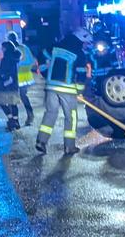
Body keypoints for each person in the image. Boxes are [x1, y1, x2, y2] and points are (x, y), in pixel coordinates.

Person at [35, 28, 91, 156]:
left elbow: (41, 54)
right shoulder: (79, 53)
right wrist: (80, 91)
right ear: (81, 39)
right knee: (71, 117)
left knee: (50, 113)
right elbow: (82, 74)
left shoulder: (56, 47)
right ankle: (69, 147)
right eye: (85, 43)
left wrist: (44, 71)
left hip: (51, 87)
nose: (86, 45)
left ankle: (41, 141)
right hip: (68, 89)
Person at [7, 30, 36, 126]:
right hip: (26, 77)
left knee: (12, 98)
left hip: (15, 77)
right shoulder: (24, 48)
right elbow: (31, 61)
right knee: (24, 97)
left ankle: (14, 120)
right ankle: (30, 115)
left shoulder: (11, 50)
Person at [0, 40, 22, 131]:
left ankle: (11, 119)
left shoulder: (6, 59)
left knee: (1, 101)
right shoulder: (14, 58)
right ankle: (16, 121)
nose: (1, 49)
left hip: (5, 84)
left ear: (6, 48)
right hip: (13, 84)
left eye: (3, 47)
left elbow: (4, 71)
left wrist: (2, 80)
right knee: (13, 103)